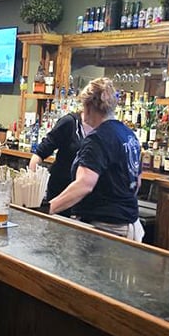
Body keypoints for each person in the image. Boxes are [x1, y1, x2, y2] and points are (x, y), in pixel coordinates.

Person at [48, 77, 144, 241]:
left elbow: (84, 184)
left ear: (89, 107)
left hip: (106, 227)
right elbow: (137, 182)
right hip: (130, 224)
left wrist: (49, 208)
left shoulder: (98, 139)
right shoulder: (128, 135)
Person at [28, 110, 89, 208]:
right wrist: (32, 187)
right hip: (60, 190)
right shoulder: (70, 122)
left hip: (83, 197)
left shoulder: (102, 129)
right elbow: (40, 153)